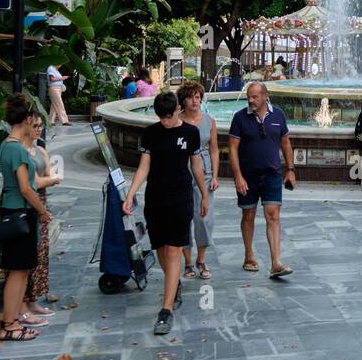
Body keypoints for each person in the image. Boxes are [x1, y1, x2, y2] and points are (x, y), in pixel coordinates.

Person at [122, 90, 209, 335]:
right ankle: (174, 283)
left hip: (180, 197)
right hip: (156, 198)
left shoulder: (190, 133)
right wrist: (130, 195)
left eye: (169, 117)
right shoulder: (150, 133)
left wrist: (203, 195)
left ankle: (166, 310)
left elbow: (197, 166)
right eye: (161, 117)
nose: (165, 121)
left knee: (173, 250)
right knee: (161, 248)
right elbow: (143, 168)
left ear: (178, 109)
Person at [0, 94, 51, 341]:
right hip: (21, 213)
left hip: (11, 211)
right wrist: (42, 210)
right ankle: (10, 324)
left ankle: (14, 320)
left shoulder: (7, 146)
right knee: (18, 271)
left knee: (19, 270)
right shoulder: (17, 150)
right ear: (28, 118)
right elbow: (26, 188)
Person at [228, 82, 295, 278]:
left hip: (272, 174)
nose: (250, 100)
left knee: (273, 216)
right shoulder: (240, 118)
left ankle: (276, 262)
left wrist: (290, 169)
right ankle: (249, 256)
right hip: (247, 176)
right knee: (248, 216)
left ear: (265, 96)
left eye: (255, 96)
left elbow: (285, 142)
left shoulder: (278, 115)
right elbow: (232, 148)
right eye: (249, 96)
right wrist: (238, 176)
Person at [22, 108, 61, 324]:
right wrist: (51, 180)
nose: (38, 129)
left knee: (41, 253)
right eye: (35, 125)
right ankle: (24, 302)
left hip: (41, 204)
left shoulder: (40, 151)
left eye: (40, 126)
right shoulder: (21, 151)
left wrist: (48, 180)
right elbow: (37, 182)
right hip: (30, 206)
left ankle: (34, 299)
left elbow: (44, 177)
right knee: (28, 254)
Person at [178, 81, 219, 280]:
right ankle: (187, 262)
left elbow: (214, 149)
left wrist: (216, 175)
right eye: (191, 97)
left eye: (198, 97)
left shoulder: (209, 120)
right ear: (183, 100)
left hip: (205, 171)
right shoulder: (177, 121)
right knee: (184, 218)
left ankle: (201, 259)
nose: (195, 100)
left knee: (204, 218)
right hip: (182, 173)